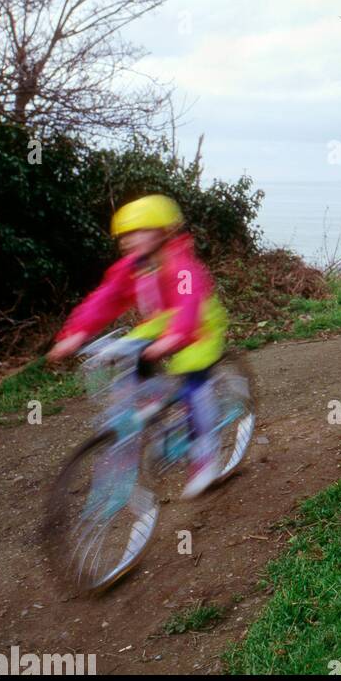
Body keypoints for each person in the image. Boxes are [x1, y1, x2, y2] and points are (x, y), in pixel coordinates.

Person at [47, 193, 228, 499]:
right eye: (125, 235)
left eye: (139, 231)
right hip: (162, 323)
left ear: (164, 231)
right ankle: (155, 408)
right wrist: (77, 332)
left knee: (194, 381)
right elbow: (105, 299)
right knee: (125, 353)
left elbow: (187, 303)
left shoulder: (182, 266)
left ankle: (206, 456)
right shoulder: (131, 268)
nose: (128, 241)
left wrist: (176, 337)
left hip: (198, 325)